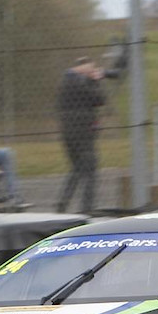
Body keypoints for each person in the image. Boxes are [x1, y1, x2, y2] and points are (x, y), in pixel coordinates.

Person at [55, 57, 106, 214]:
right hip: (83, 131)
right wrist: (95, 81)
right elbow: (99, 99)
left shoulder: (65, 81)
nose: (91, 72)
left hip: (68, 132)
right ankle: (87, 208)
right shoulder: (80, 83)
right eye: (90, 69)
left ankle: (63, 202)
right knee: (90, 168)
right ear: (83, 68)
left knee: (77, 168)